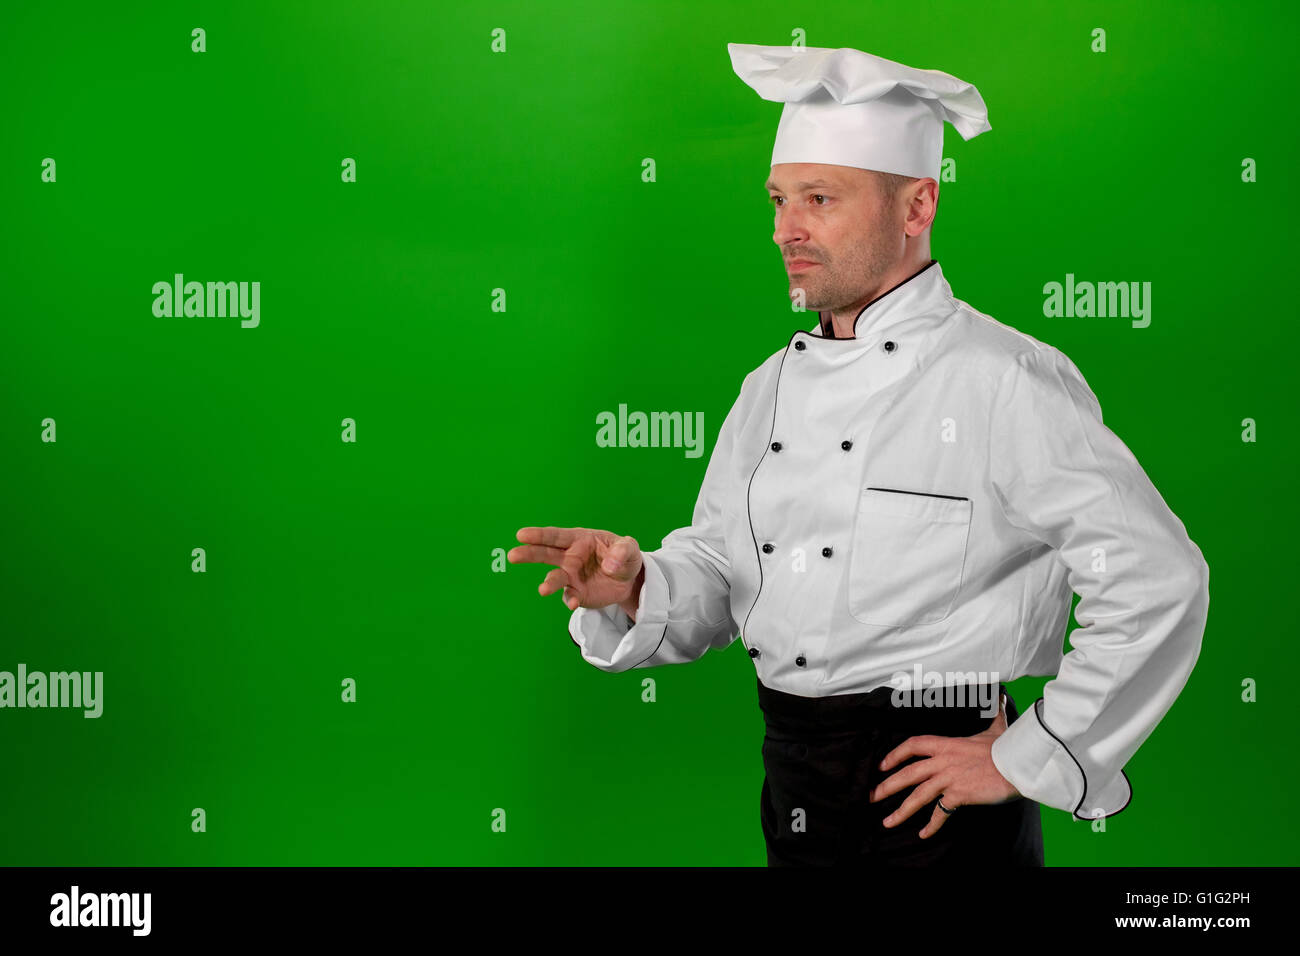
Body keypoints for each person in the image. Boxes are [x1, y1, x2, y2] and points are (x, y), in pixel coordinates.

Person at [508, 43, 1210, 867]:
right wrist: (637, 587)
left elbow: (1157, 575)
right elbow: (728, 570)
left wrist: (1034, 753)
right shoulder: (768, 386)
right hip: (795, 776)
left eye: (818, 199)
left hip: (932, 791)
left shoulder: (1002, 379)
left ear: (917, 206)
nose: (785, 230)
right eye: (777, 200)